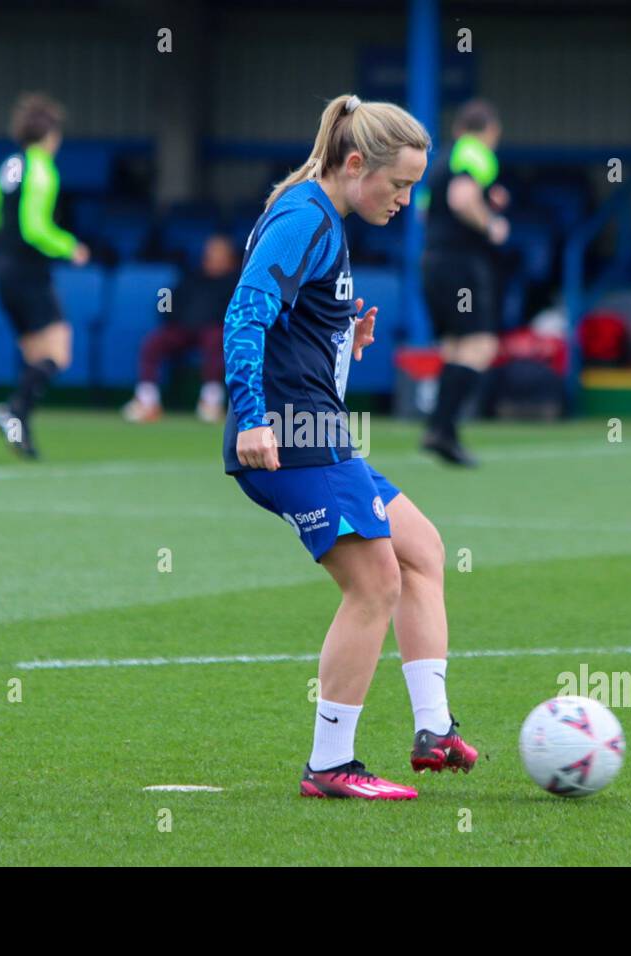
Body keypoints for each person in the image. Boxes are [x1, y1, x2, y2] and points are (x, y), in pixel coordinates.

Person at [223, 94, 478, 800]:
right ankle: (331, 764)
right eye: (398, 186)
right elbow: (246, 311)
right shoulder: (306, 216)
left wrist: (342, 342)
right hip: (289, 435)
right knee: (374, 583)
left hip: (316, 427)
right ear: (357, 163)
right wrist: (250, 416)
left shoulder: (321, 216)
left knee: (421, 548)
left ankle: (434, 729)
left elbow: (291, 324)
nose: (404, 201)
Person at [0, 92, 89, 459]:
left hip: (2, 272)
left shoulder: (8, 166)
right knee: (59, 352)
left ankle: (19, 425)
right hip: (29, 274)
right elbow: (34, 227)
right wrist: (69, 246)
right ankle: (13, 412)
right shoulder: (41, 167)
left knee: (35, 356)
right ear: (51, 135)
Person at [420, 98, 510, 468]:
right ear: (490, 131)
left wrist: (488, 200)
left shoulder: (443, 159)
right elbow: (461, 199)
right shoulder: (477, 153)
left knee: (455, 346)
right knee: (481, 345)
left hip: (433, 262)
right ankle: (442, 428)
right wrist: (490, 223)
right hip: (462, 266)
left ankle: (443, 431)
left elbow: (425, 210)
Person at [122, 233, 238, 424]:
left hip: (213, 330)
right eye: (210, 253)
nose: (213, 257)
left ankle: (210, 402)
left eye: (219, 253)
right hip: (182, 329)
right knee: (153, 342)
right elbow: (166, 297)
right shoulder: (191, 277)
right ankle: (147, 401)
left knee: (215, 340)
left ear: (229, 257)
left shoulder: (235, 281)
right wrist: (168, 314)